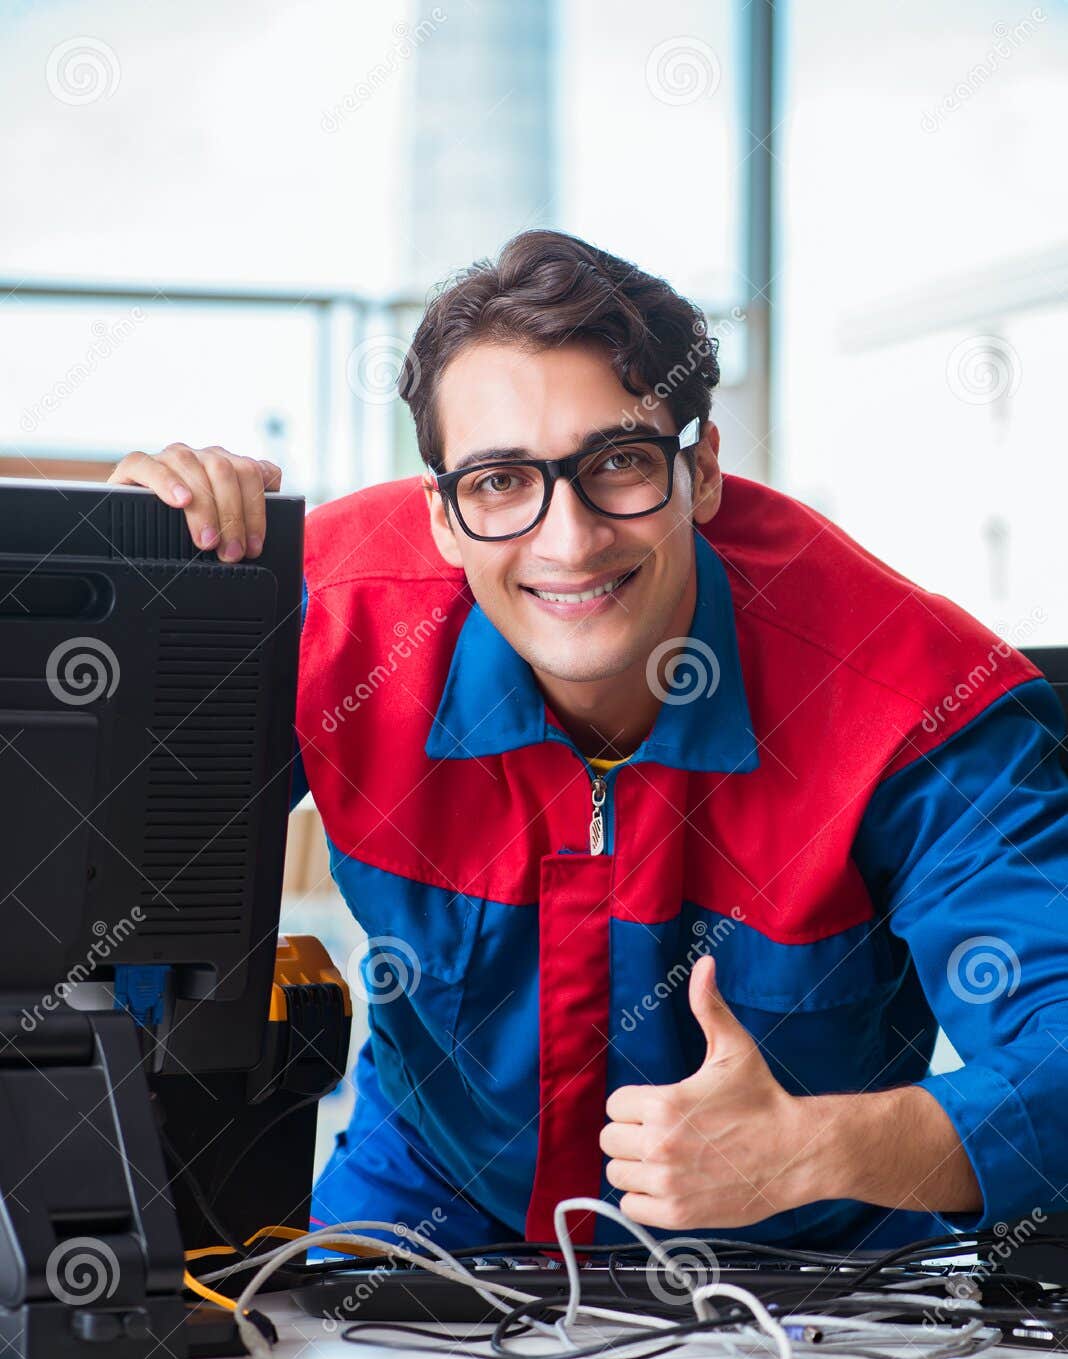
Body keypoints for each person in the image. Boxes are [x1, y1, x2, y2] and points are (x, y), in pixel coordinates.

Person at [109, 228, 1068, 1254]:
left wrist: (814, 1148)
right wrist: (120, 622)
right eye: (500, 482)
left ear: (701, 474)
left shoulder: (910, 696)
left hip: (803, 1262)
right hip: (429, 1212)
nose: (568, 540)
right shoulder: (328, 619)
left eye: (618, 463)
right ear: (439, 512)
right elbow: (77, 899)